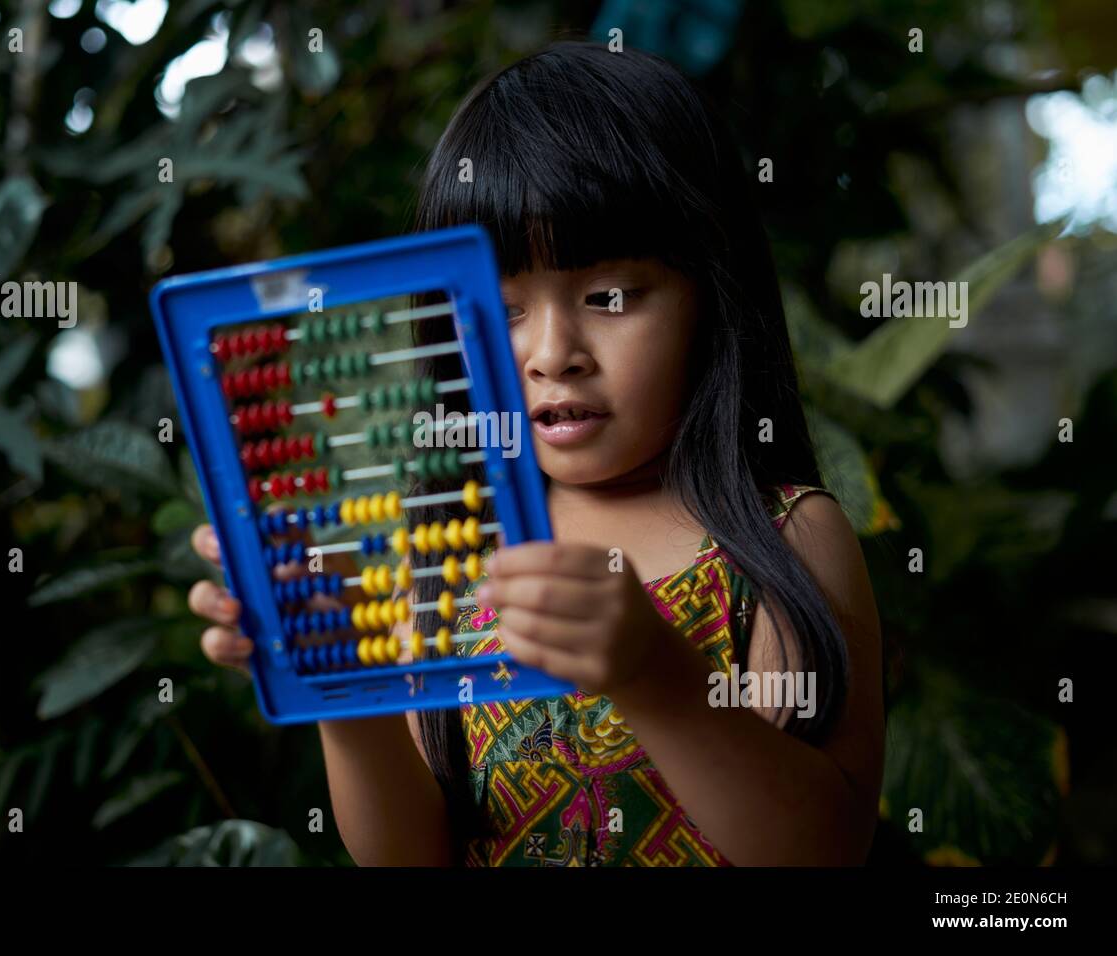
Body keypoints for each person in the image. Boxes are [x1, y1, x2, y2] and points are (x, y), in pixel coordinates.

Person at [187, 41, 884, 866]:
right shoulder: (450, 558)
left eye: (608, 297)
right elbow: (409, 855)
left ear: (712, 296)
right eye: (504, 306)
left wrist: (656, 676)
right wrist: (346, 689)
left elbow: (821, 851)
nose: (553, 352)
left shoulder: (781, 539)